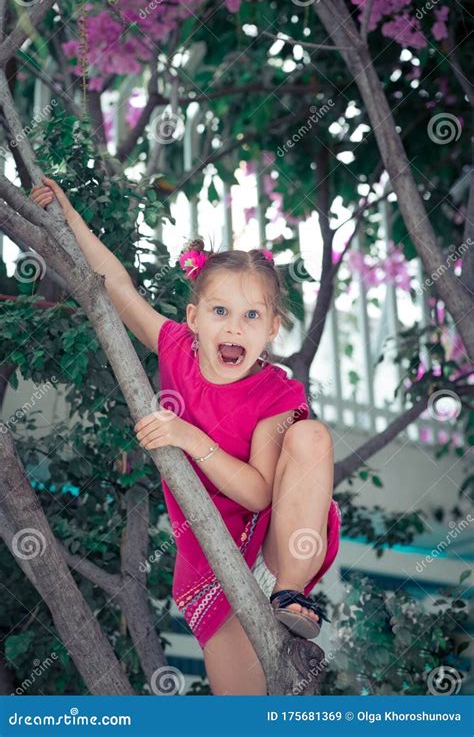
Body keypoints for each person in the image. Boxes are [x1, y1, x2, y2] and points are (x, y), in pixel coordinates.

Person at [31, 176, 342, 696]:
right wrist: (67, 214)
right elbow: (115, 285)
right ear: (194, 319)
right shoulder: (177, 349)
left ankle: (291, 596)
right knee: (242, 718)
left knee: (311, 436)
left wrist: (190, 438)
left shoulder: (275, 393)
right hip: (213, 566)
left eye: (252, 316)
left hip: (276, 548)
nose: (234, 328)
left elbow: (259, 492)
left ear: (271, 330)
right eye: (220, 312)